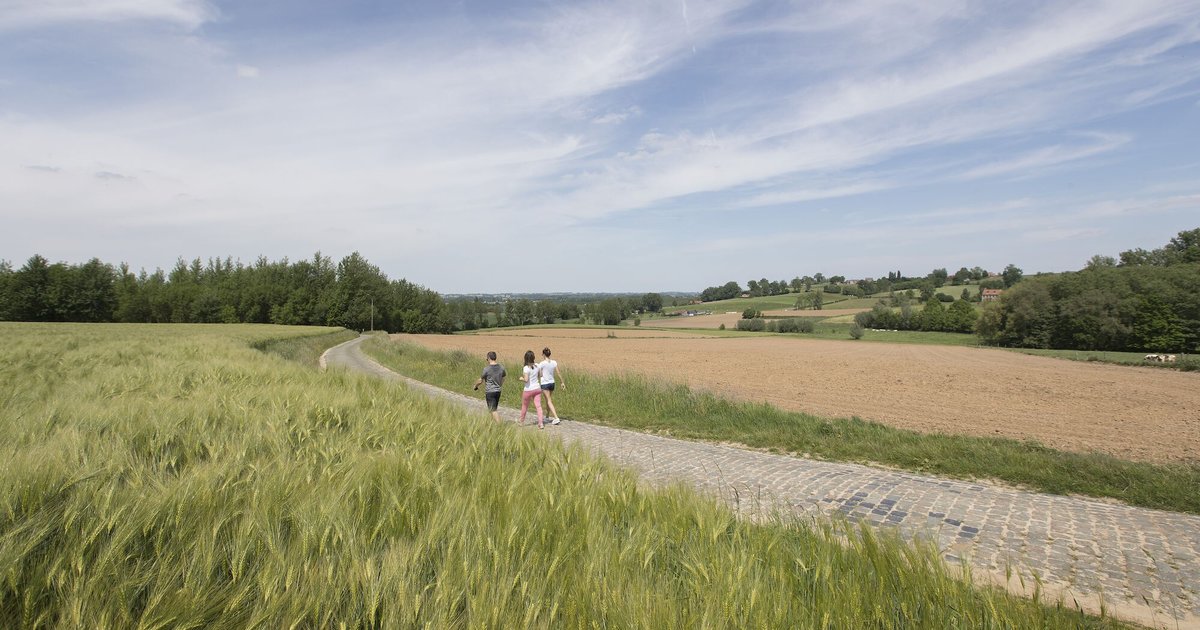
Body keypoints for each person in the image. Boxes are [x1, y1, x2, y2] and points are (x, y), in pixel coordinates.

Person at [472, 351, 506, 422]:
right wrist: (500, 384)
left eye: (487, 359)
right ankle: (492, 424)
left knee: (493, 410)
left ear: (489, 358)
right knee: (493, 409)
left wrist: (475, 386)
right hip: (498, 391)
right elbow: (503, 378)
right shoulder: (501, 367)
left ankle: (500, 425)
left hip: (490, 392)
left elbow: (480, 380)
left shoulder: (487, 369)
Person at [518, 349, 545, 429]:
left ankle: (521, 422)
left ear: (525, 358)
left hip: (528, 389)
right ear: (533, 357)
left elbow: (526, 380)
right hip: (537, 388)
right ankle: (541, 423)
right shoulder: (537, 365)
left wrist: (521, 378)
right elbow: (541, 375)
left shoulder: (526, 368)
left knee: (525, 406)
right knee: (538, 406)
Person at [537, 347, 565, 425]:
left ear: (543, 354)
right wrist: (562, 382)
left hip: (545, 384)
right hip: (552, 383)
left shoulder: (541, 364)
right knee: (548, 400)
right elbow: (558, 373)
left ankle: (556, 418)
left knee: (549, 401)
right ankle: (547, 416)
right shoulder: (554, 362)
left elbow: (539, 374)